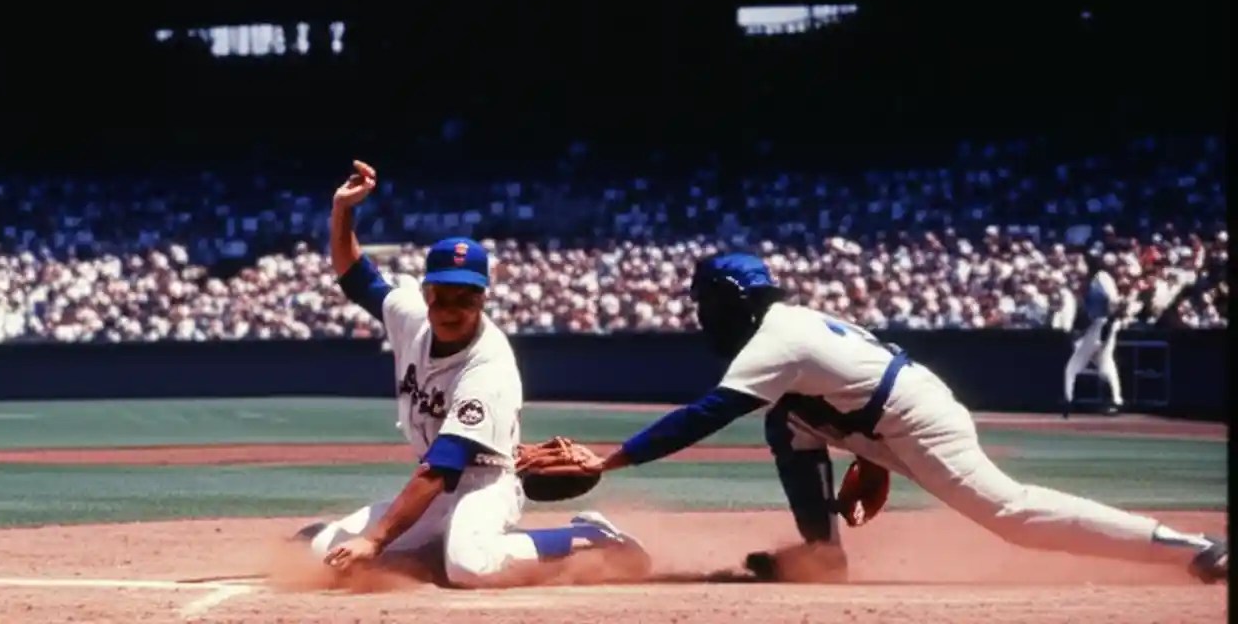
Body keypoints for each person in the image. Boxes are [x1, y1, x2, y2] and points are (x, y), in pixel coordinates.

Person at [524, 252, 1228, 584]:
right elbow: (840, 386)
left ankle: (1192, 548)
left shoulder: (777, 337)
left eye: (705, 302)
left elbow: (707, 414)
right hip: (888, 415)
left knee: (1011, 515)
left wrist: (609, 459)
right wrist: (863, 454)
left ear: (729, 300)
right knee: (788, 422)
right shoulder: (788, 327)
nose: (701, 315)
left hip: (915, 422)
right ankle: (823, 556)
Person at [304, 160, 647, 588]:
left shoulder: (489, 364)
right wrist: (343, 210)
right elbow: (357, 278)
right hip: (436, 487)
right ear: (426, 292)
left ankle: (591, 535)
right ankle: (437, 543)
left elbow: (442, 467)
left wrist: (375, 539)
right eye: (442, 295)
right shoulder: (411, 316)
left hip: (487, 482)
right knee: (325, 553)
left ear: (483, 299)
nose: (451, 308)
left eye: (464, 298)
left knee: (469, 565)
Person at [1062, 255, 1125, 418]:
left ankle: (1068, 401)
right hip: (1098, 325)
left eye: (1080, 261)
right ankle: (1116, 401)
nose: (1077, 264)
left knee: (1075, 367)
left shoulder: (1101, 277)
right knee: (1105, 366)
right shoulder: (1090, 281)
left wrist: (1109, 323)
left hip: (1104, 324)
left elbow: (1113, 300)